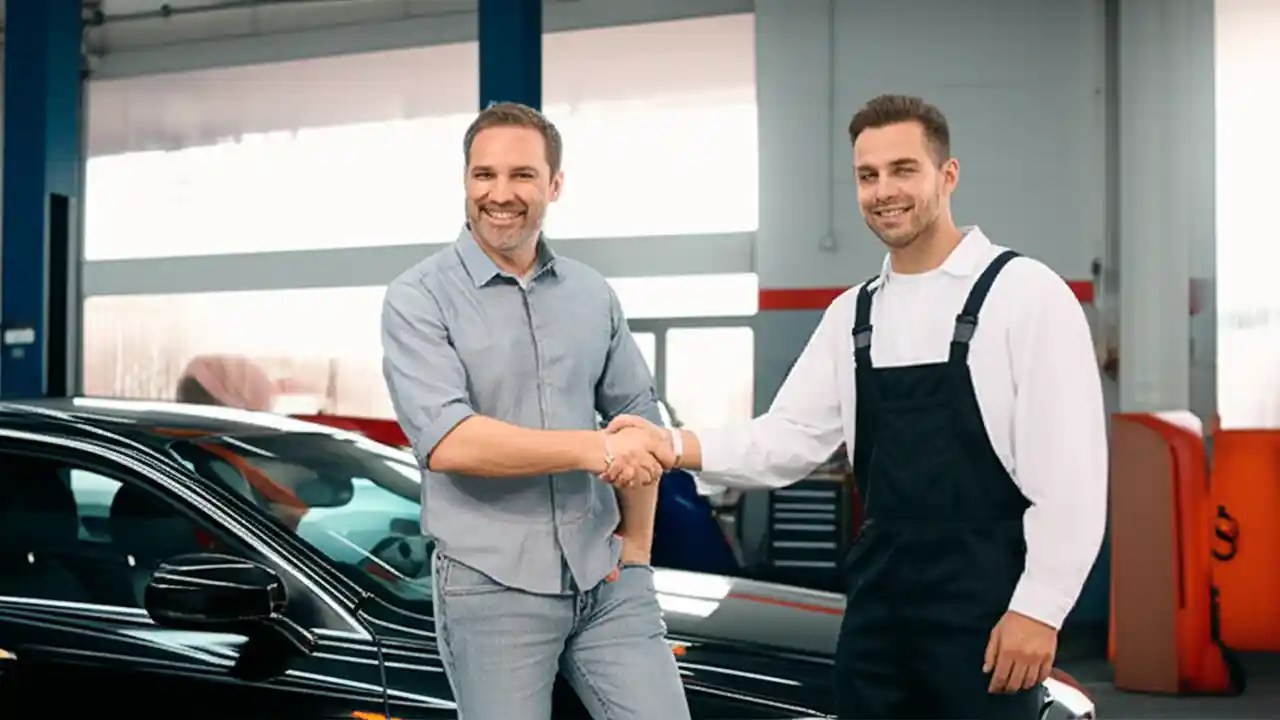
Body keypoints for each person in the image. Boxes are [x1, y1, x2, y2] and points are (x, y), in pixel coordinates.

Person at [607, 94, 1108, 719]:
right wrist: (670, 443)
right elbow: (787, 439)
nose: (883, 190)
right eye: (867, 175)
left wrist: (1040, 606)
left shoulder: (1026, 295)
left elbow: (1072, 475)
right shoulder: (854, 315)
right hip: (879, 606)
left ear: (947, 176)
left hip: (986, 606)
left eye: (903, 169)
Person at [379, 101, 690, 720]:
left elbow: (638, 418)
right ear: (465, 181)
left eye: (522, 175)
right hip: (491, 586)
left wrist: (637, 549)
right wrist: (594, 447)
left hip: (606, 579)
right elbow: (451, 442)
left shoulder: (591, 292)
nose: (500, 194)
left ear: (554, 184)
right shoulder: (418, 298)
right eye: (483, 175)